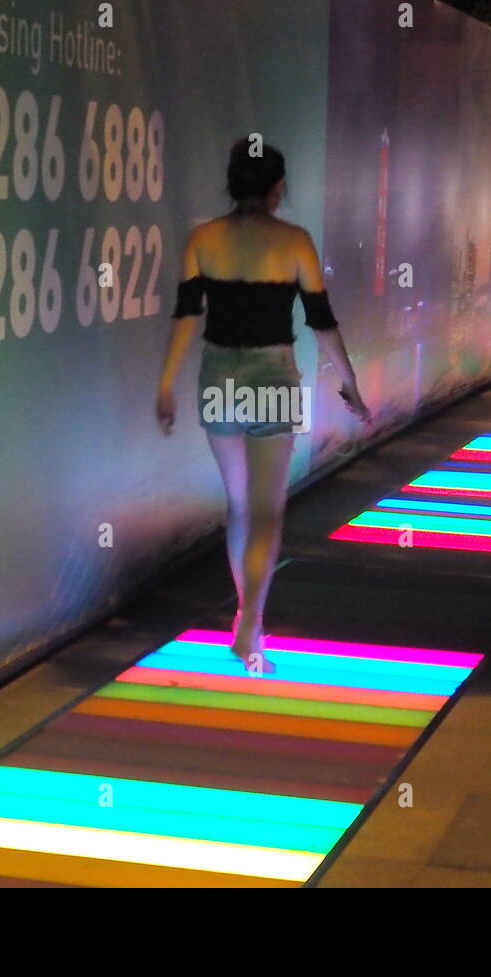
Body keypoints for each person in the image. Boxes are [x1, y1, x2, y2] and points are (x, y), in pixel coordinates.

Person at [156, 139, 371, 671]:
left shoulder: (203, 238)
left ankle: (245, 616)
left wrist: (164, 384)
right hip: (271, 376)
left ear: (233, 183)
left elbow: (187, 314)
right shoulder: (294, 242)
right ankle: (251, 621)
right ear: (278, 189)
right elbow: (321, 321)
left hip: (218, 373)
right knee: (268, 512)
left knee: (239, 508)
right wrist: (350, 385)